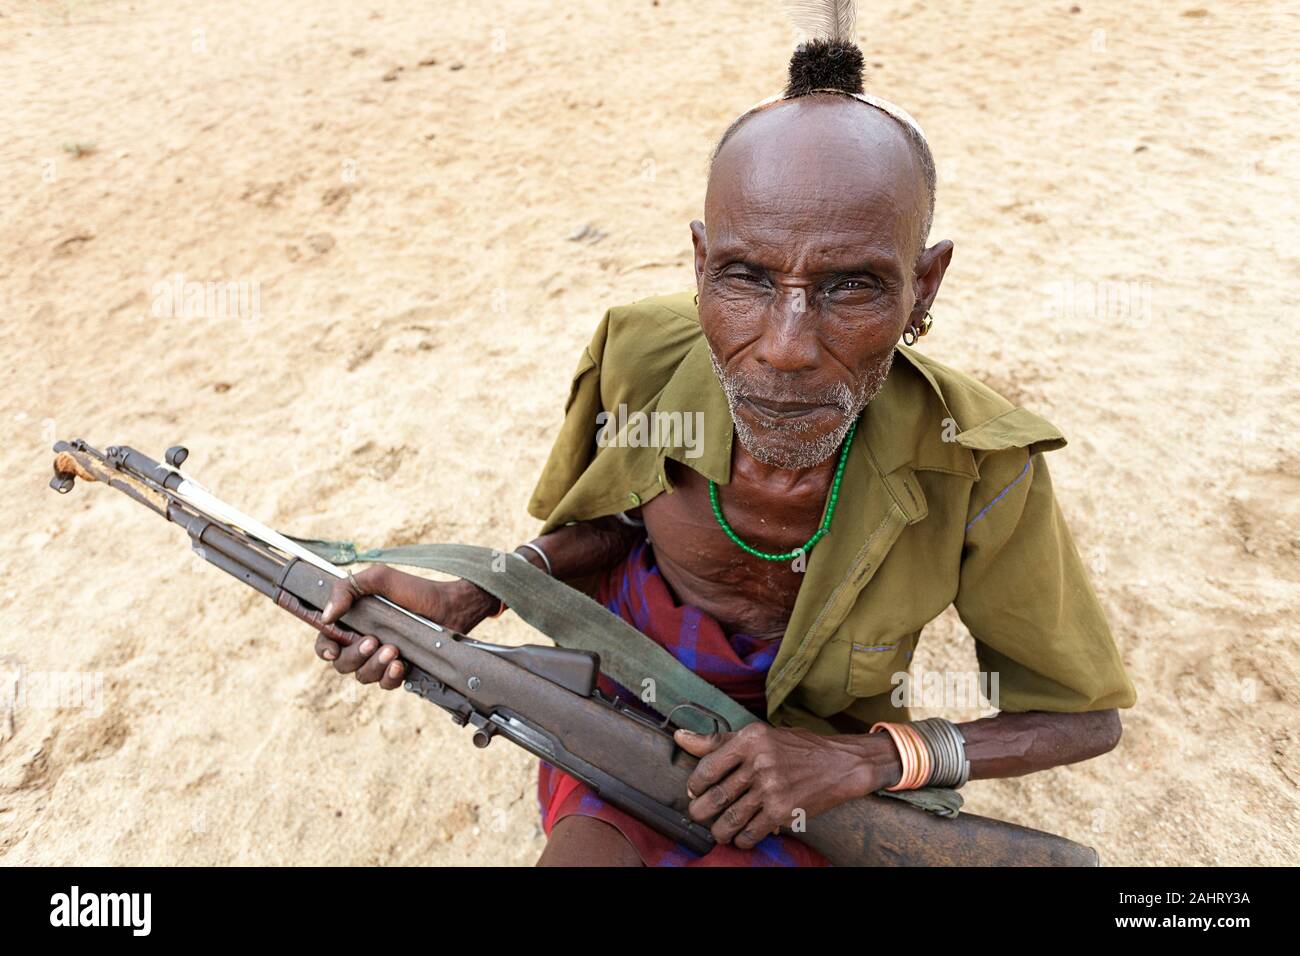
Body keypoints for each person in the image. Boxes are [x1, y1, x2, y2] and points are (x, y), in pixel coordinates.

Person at [313, 36, 1136, 867]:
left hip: (813, 762)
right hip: (626, 700)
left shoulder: (980, 465)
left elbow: (1082, 716)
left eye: (852, 285)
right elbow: (618, 522)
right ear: (701, 265)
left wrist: (862, 759)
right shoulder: (639, 356)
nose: (785, 348)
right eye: (746, 278)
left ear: (924, 287)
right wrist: (481, 593)